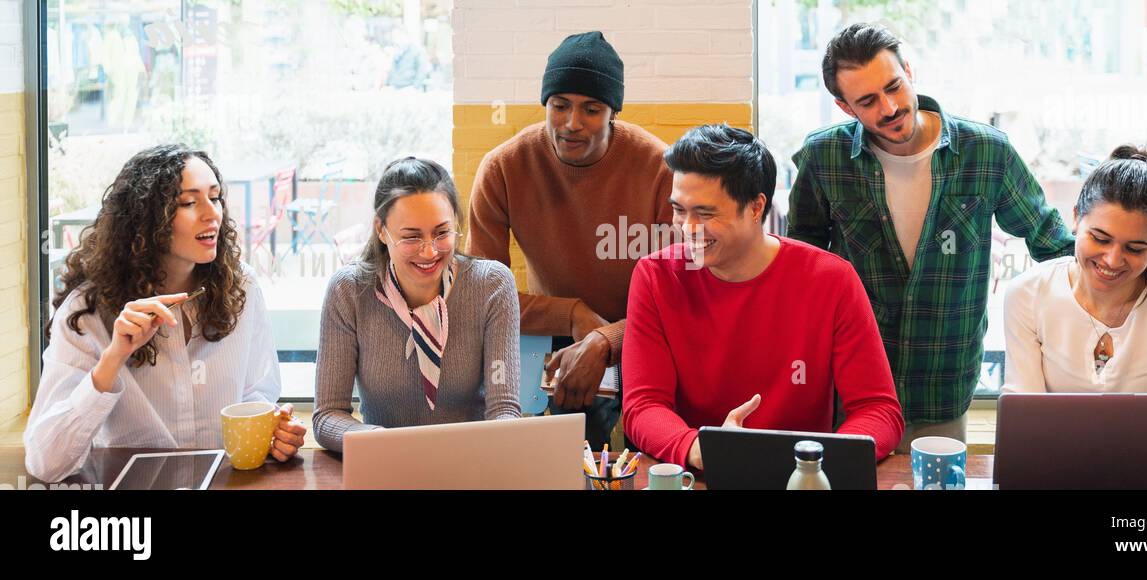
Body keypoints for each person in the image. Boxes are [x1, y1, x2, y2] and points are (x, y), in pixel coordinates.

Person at [786, 24, 1075, 452]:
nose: (889, 107)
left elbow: (1052, 243)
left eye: (894, 87)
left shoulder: (986, 153)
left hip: (943, 379)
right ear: (844, 107)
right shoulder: (823, 157)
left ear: (909, 69)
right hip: (855, 384)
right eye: (867, 101)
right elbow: (803, 263)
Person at [622, 125, 904, 470]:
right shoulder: (655, 277)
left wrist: (815, 465)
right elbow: (643, 405)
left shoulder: (832, 280)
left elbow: (878, 410)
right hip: (700, 473)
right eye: (680, 210)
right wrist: (700, 448)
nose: (686, 227)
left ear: (756, 207)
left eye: (706, 213)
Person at [26, 144, 304, 482]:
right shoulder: (87, 312)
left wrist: (273, 430)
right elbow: (46, 464)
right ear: (145, 222)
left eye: (214, 198)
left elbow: (257, 393)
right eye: (189, 202)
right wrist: (113, 359)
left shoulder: (241, 286)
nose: (211, 213)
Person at [466, 31, 674, 449]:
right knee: (567, 443)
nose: (572, 123)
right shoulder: (503, 168)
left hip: (649, 332)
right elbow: (482, 297)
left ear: (613, 112)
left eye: (591, 110)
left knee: (656, 439)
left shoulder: (660, 169)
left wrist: (606, 339)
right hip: (559, 335)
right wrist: (572, 315)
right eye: (559, 106)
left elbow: (682, 299)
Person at [313, 157, 521, 453]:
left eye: (442, 233)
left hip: (469, 463)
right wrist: (387, 444)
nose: (429, 251)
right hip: (384, 463)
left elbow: (505, 411)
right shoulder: (349, 291)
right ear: (381, 230)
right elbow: (327, 416)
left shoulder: (491, 285)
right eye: (411, 237)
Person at [1003, 146, 1147, 393]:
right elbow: (1025, 412)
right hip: (1051, 435)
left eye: (1135, 248)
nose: (1112, 260)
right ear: (1076, 217)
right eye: (1100, 239)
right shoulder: (1027, 294)